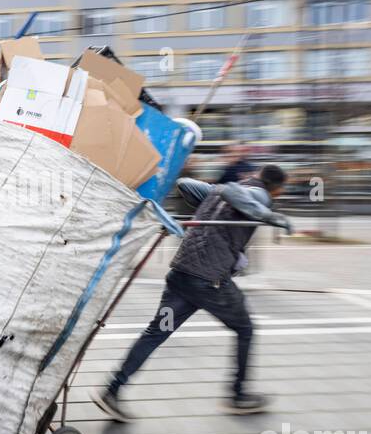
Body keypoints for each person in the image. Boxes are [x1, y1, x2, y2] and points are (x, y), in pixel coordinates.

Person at [93, 165, 293, 420]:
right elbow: (234, 194)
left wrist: (214, 192)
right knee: (245, 329)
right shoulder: (259, 195)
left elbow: (185, 183)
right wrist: (271, 216)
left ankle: (112, 391)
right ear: (277, 188)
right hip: (209, 281)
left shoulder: (221, 191)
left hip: (182, 276)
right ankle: (239, 395)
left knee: (155, 333)